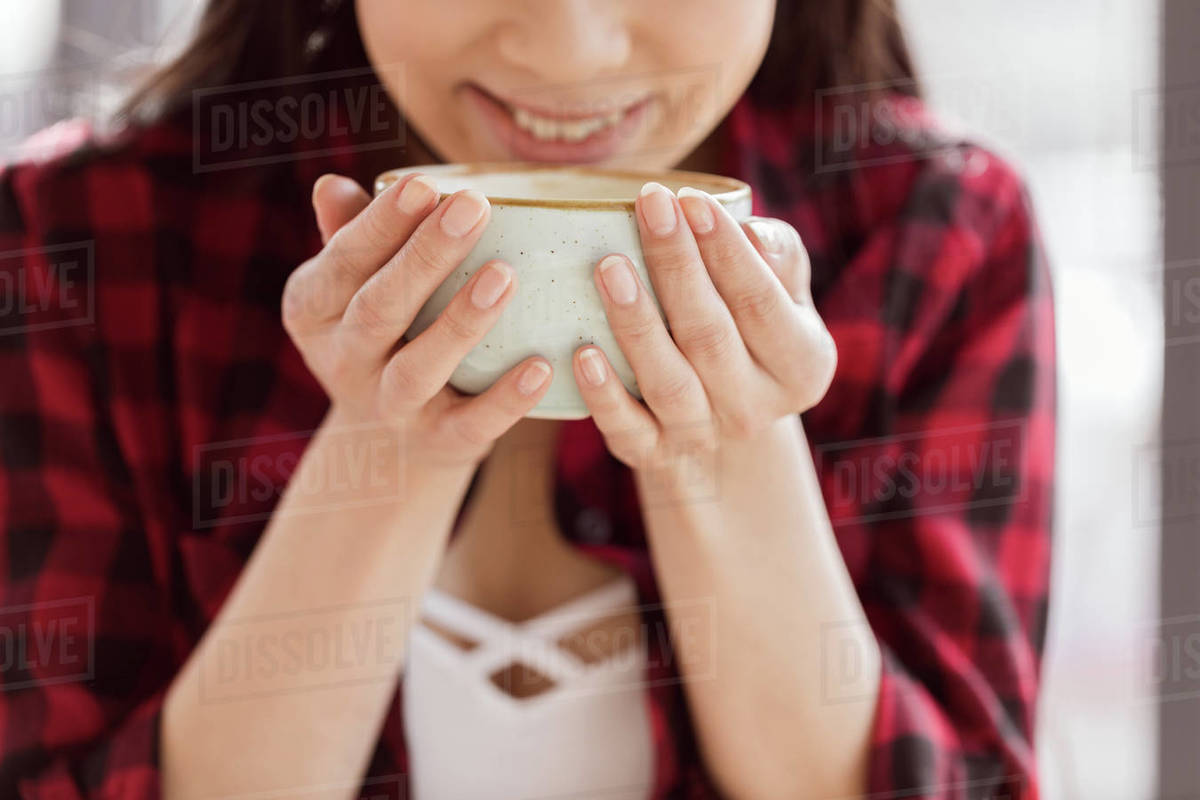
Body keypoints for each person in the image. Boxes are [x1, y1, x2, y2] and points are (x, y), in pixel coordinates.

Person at [0, 1, 1055, 798]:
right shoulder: (81, 241)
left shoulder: (939, 232)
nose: (570, 51)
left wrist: (728, 450)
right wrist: (389, 446)